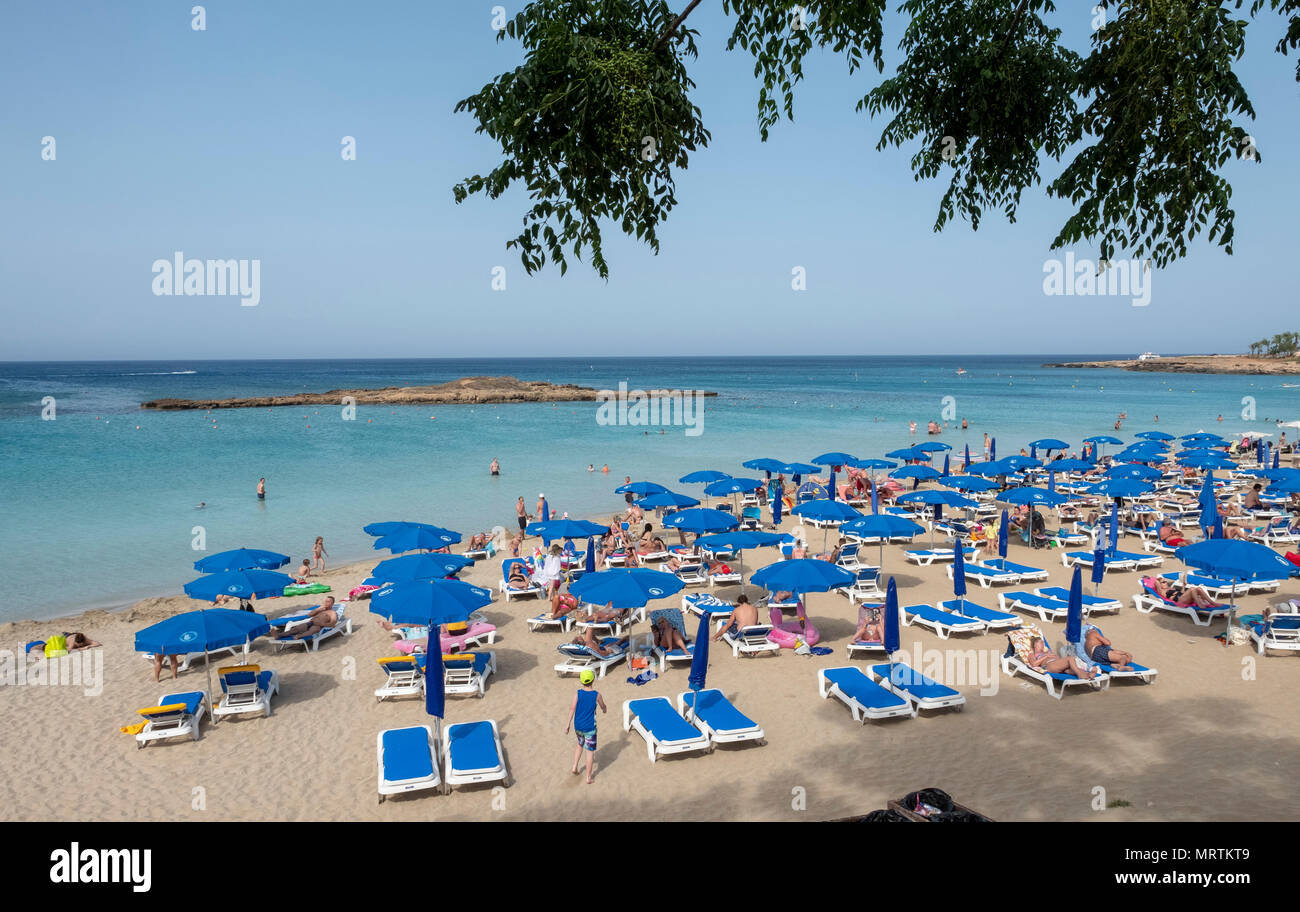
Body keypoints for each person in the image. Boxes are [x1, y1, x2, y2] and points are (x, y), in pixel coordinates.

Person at [1007, 625, 1096, 679]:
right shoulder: (1032, 654)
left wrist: (1052, 655)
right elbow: (1034, 664)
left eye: (1043, 642)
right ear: (1035, 645)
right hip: (1049, 666)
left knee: (1070, 670)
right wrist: (1045, 657)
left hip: (1059, 665)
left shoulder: (1047, 651)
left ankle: (1087, 674)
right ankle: (1080, 674)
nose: (1042, 644)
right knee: (1070, 659)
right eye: (1040, 643)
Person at [566, 669, 607, 785]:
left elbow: (572, 709)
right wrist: (604, 709)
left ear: (581, 681)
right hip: (590, 728)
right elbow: (603, 706)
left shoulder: (577, 694)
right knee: (590, 752)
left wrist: (567, 724)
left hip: (578, 726)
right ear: (593, 680)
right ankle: (588, 777)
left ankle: (574, 767)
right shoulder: (596, 695)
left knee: (579, 744)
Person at [1148, 576, 1220, 609]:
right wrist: (1156, 579)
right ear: (1159, 585)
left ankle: (1213, 603)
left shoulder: (1171, 588)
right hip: (1180, 601)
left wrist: (1183, 586)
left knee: (1199, 589)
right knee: (1192, 589)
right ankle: (1200, 604)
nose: (1165, 583)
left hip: (1183, 597)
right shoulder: (1162, 591)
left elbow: (1181, 593)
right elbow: (1156, 582)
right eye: (1163, 582)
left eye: (1165, 581)